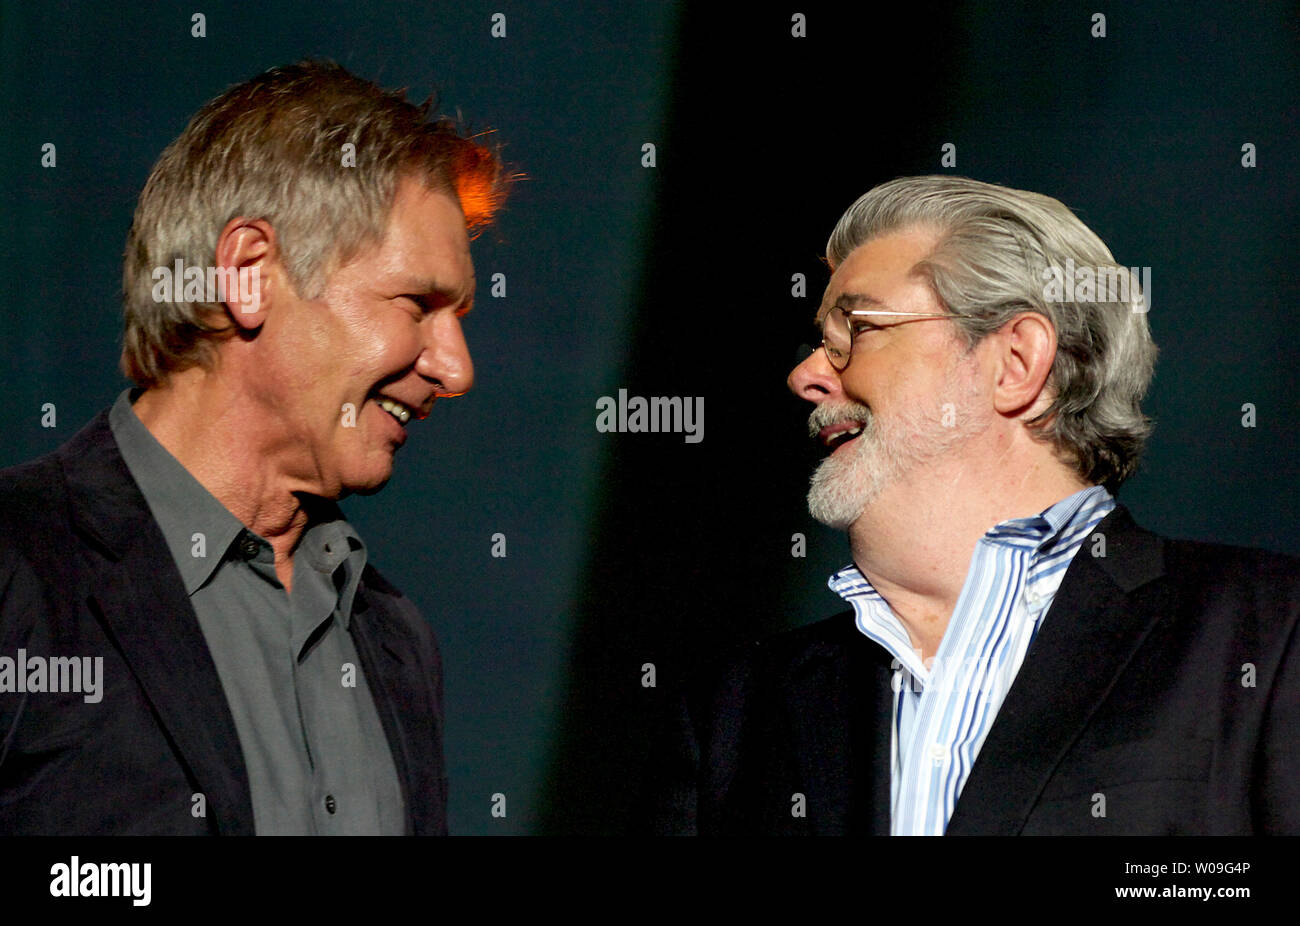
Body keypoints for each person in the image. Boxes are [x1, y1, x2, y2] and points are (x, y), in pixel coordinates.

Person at [658, 175, 1299, 835]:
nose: (806, 375)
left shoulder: (1269, 631)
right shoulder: (737, 709)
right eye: (817, 342)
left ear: (1015, 362)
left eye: (857, 329)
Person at [0, 60, 506, 834]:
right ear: (247, 274)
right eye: (419, 303)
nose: (457, 368)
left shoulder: (394, 638)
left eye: (462, 315)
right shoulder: (19, 571)